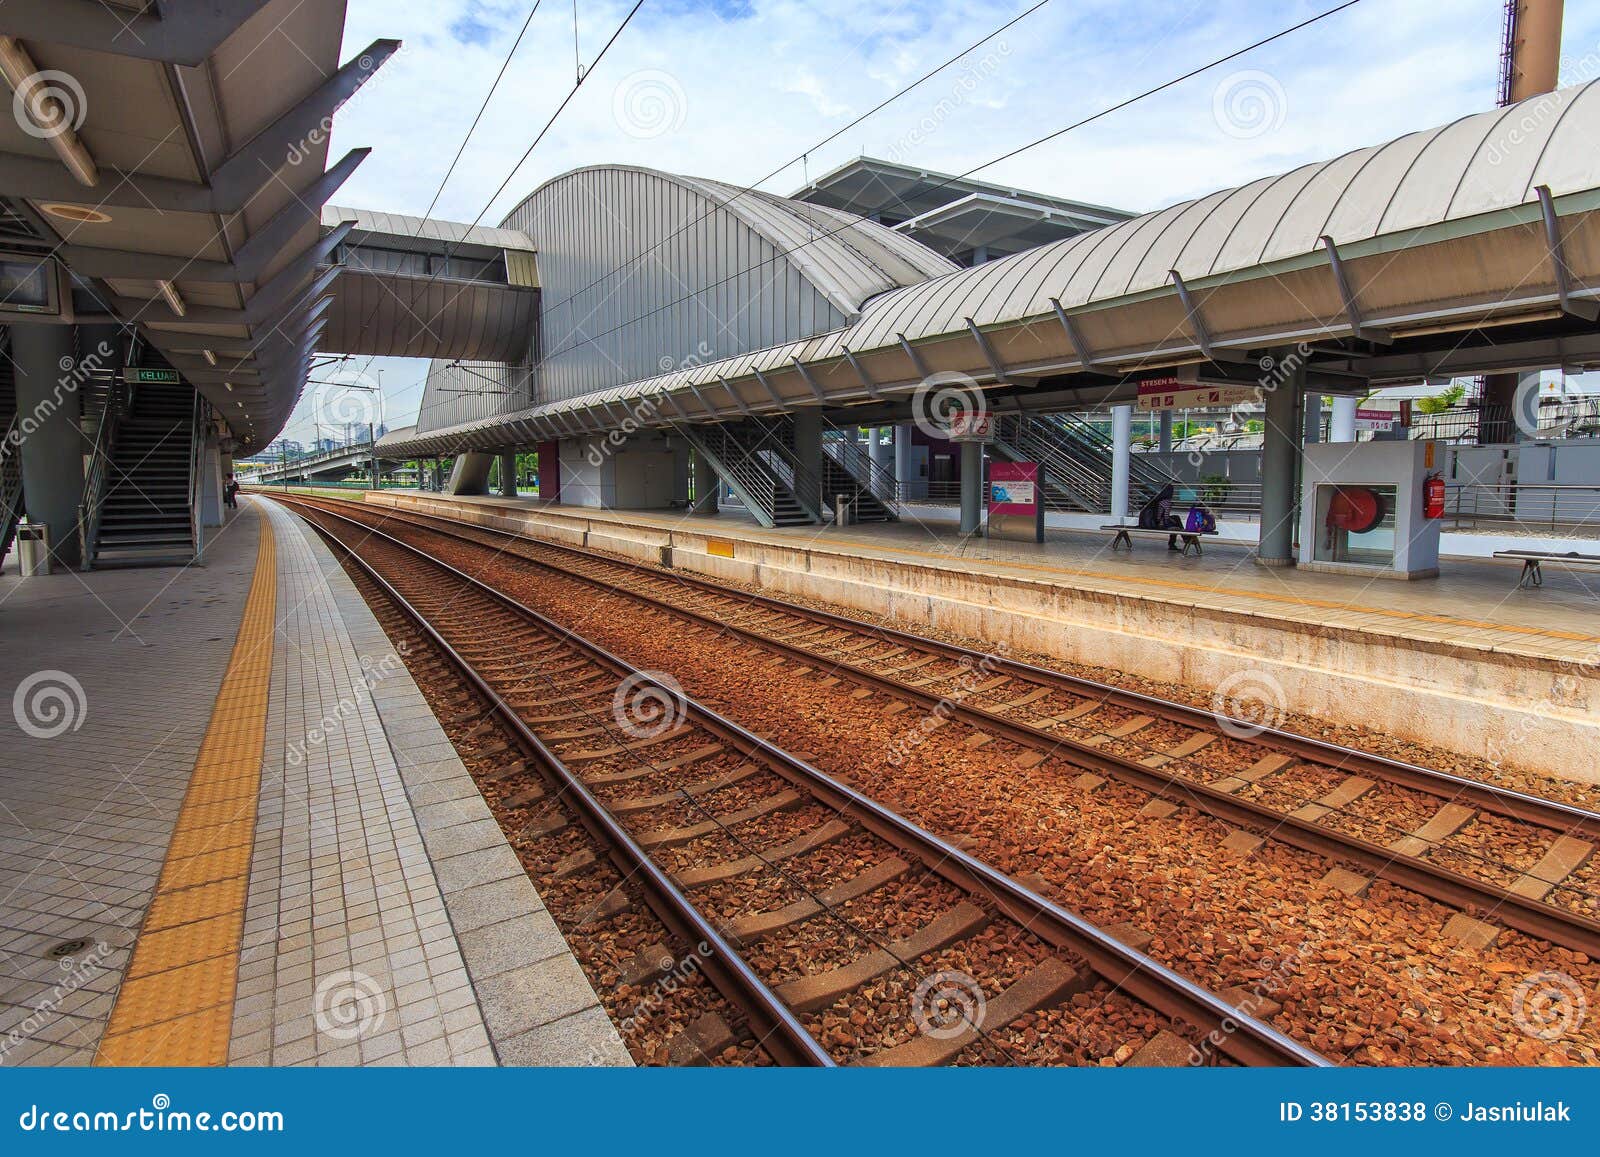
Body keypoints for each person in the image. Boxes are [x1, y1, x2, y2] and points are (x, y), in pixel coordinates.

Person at [1136, 483, 1185, 549]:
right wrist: (1172, 522)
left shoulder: (1155, 499)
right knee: (1176, 526)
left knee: (1176, 517)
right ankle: (1179, 541)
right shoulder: (1166, 502)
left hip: (1148, 523)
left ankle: (1183, 537)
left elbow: (1158, 516)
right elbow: (1166, 518)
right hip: (1157, 525)